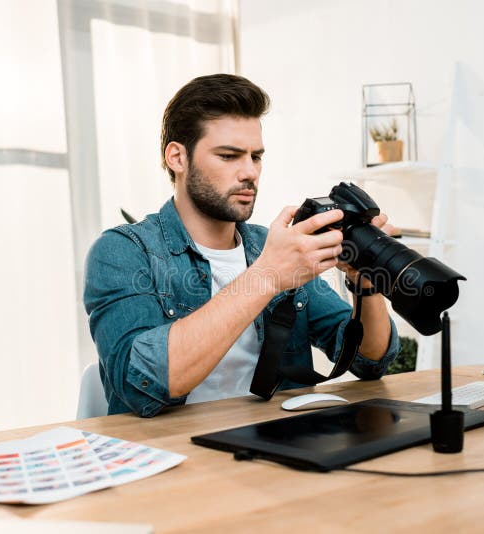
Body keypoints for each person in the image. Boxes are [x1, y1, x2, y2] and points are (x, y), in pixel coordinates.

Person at [84, 74, 400, 417]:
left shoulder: (272, 247)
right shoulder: (123, 252)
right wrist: (268, 276)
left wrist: (365, 282)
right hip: (168, 447)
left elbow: (369, 360)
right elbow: (140, 384)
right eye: (228, 156)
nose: (250, 172)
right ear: (177, 157)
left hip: (277, 441)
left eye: (256, 156)